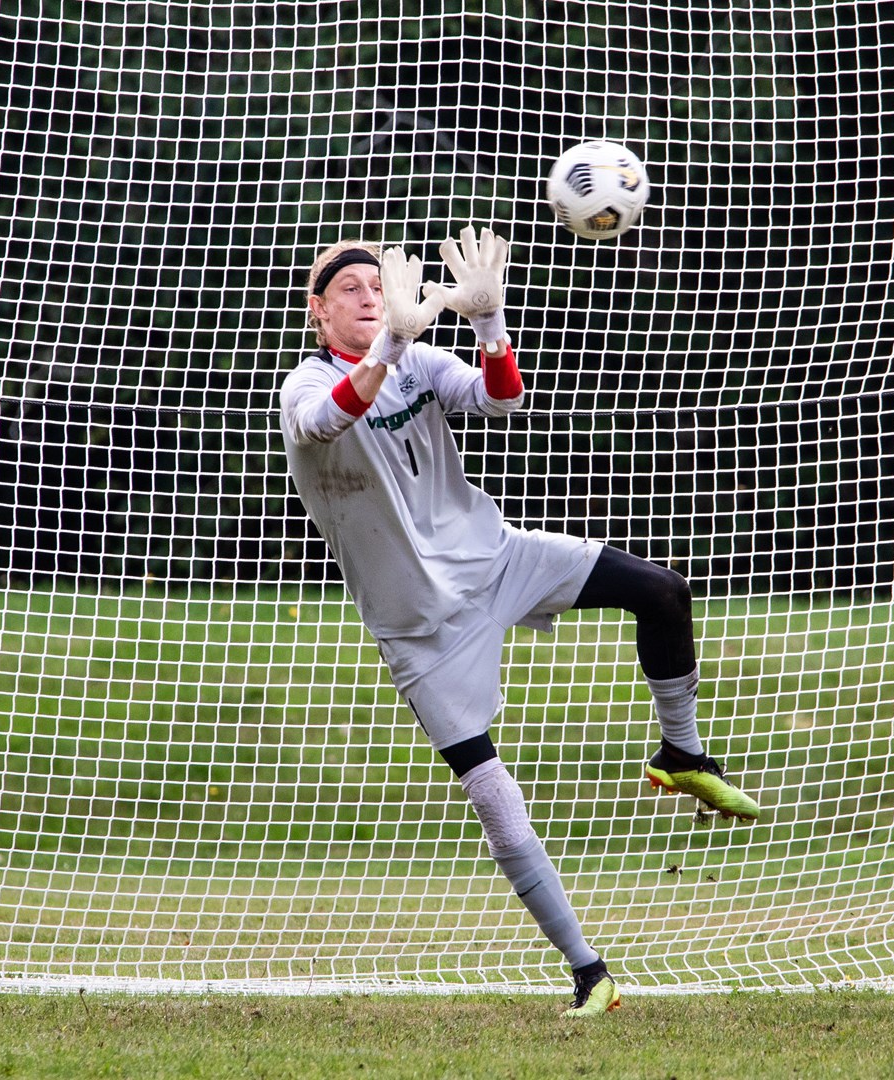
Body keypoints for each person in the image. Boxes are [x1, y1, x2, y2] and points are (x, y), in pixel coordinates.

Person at [277, 226, 761, 1018]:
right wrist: (393, 342)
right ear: (318, 314)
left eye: (378, 284)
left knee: (664, 592)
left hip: (494, 558)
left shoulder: (420, 360)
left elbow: (504, 398)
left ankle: (682, 752)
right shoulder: (305, 384)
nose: (370, 295)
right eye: (351, 290)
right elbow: (331, 419)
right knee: (496, 799)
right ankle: (588, 972)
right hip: (420, 625)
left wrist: (488, 323)